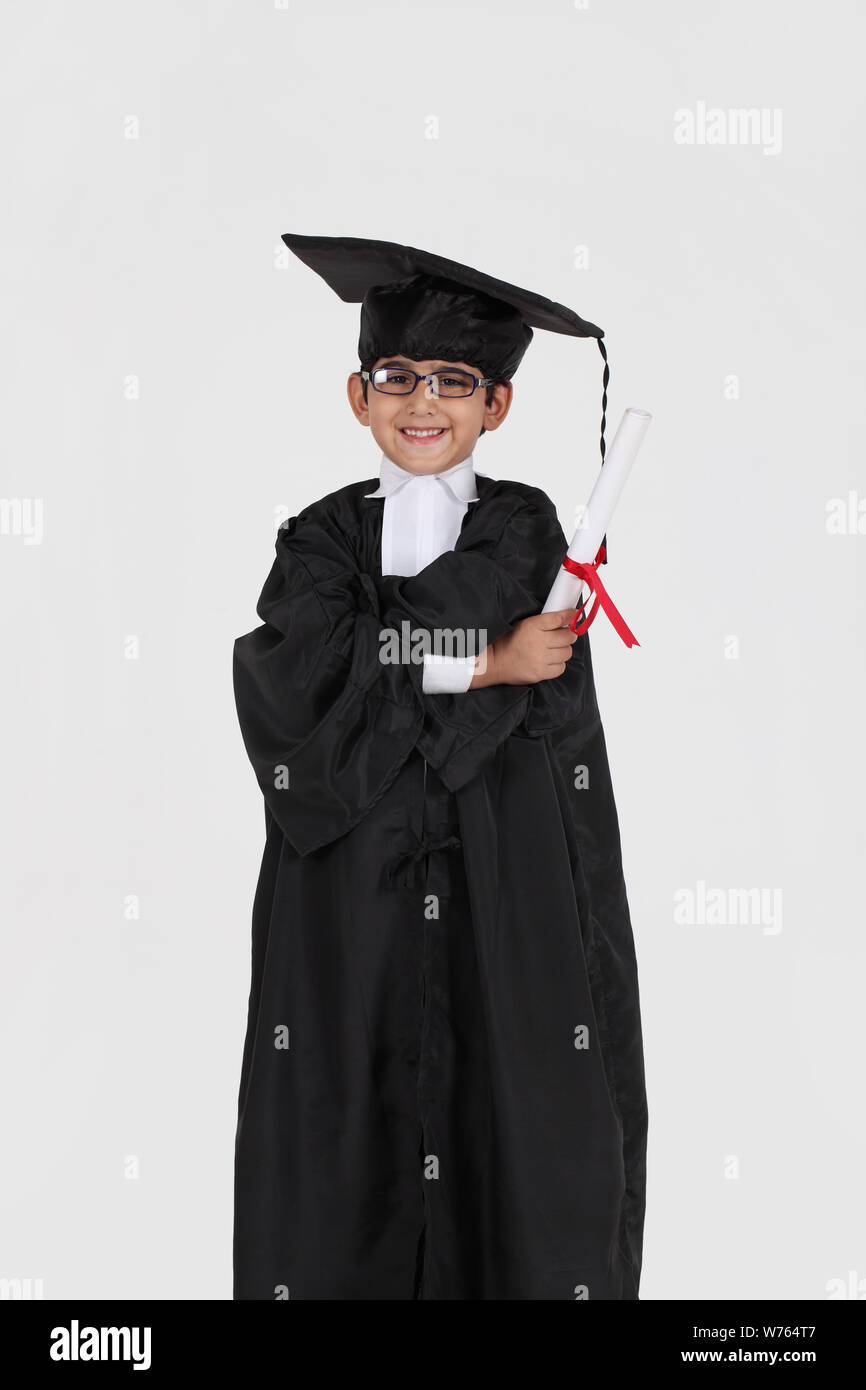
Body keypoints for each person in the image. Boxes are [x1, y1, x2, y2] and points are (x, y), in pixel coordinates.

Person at [231, 234, 648, 1300]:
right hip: (346, 873)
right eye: (398, 376)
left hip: (499, 859)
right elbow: (298, 676)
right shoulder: (318, 540)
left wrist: (388, 659)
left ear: (496, 404)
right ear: (358, 396)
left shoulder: (523, 530)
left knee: (505, 1102)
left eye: (455, 380)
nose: (423, 401)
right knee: (343, 1107)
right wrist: (486, 661)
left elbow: (365, 655)